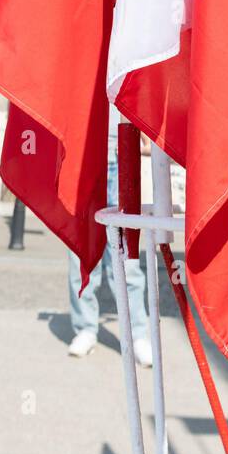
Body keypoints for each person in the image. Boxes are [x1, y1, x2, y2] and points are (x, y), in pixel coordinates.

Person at [67, 105, 152, 366]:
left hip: (121, 158)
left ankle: (138, 333)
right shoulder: (81, 64)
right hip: (85, 159)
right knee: (82, 253)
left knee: (127, 256)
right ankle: (85, 328)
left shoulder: (125, 63)